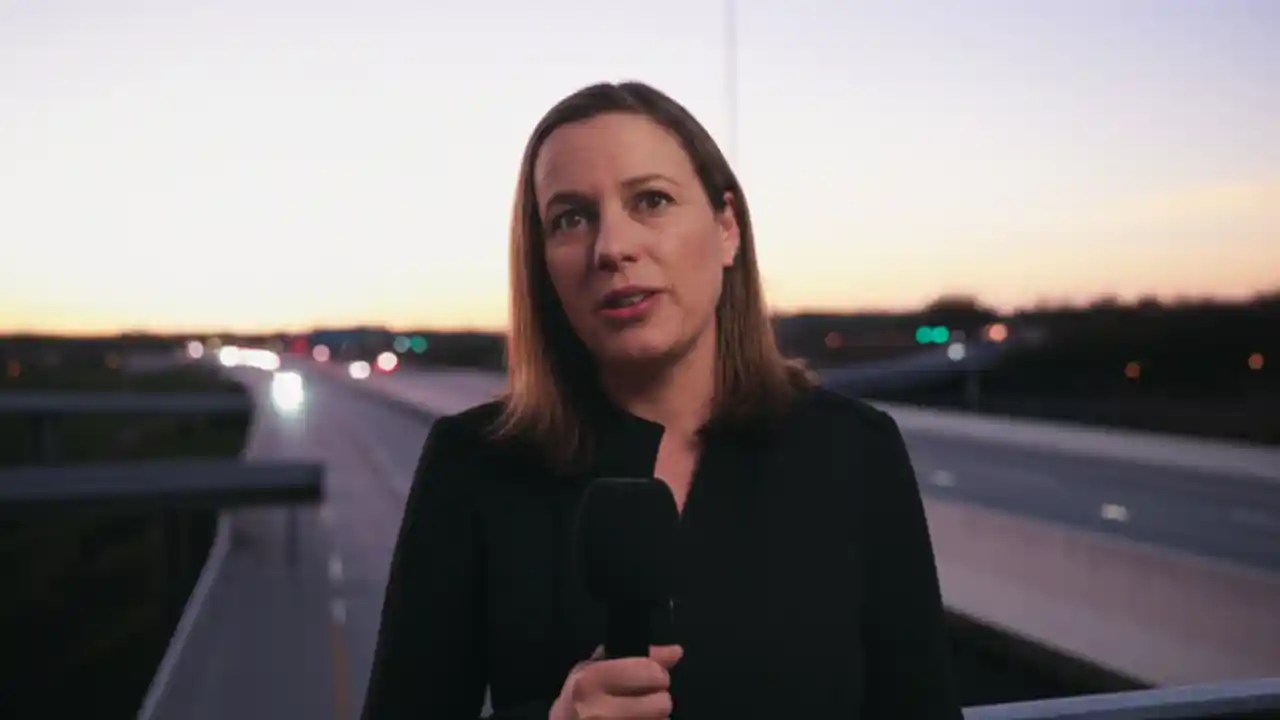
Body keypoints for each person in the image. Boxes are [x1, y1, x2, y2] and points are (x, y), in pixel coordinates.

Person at [361, 80, 961, 719]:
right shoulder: (472, 465)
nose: (611, 247)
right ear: (541, 262)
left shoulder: (854, 452)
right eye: (570, 217)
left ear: (726, 227)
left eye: (651, 200)